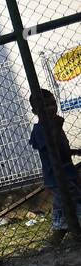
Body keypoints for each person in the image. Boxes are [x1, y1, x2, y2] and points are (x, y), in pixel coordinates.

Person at [28, 89, 81, 243]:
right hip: (56, 176)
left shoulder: (54, 123)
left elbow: (61, 148)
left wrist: (74, 151)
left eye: (53, 104)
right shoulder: (41, 129)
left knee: (65, 202)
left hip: (67, 172)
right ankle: (65, 231)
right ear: (35, 111)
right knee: (71, 199)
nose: (51, 108)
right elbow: (51, 148)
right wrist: (57, 127)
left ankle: (61, 232)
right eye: (45, 106)